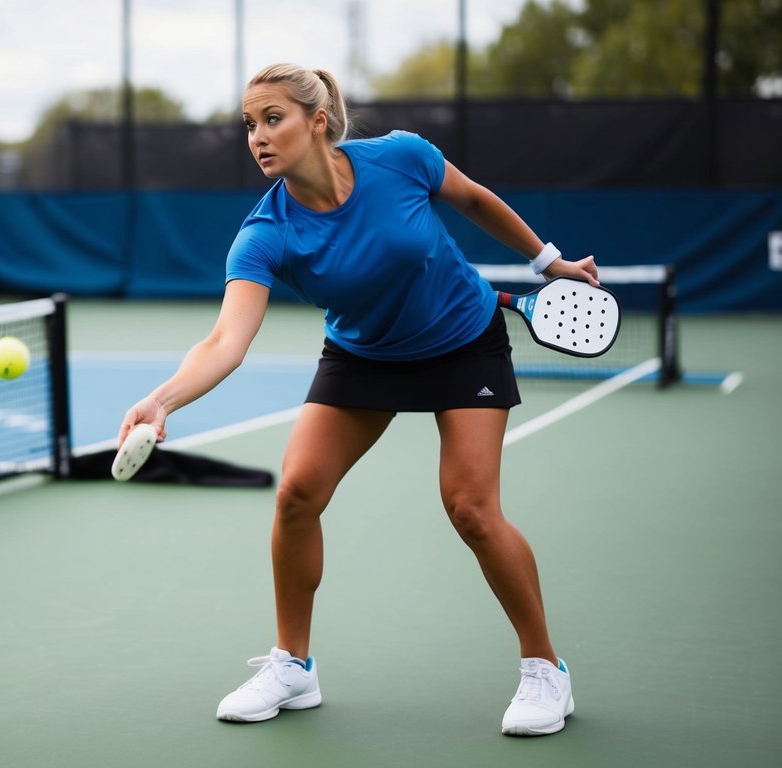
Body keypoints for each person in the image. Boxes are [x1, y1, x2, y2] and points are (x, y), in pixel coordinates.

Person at [115, 63, 598, 737]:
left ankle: (545, 670)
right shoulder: (265, 233)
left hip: (463, 341)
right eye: (248, 125)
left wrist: (549, 263)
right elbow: (226, 340)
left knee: (470, 507)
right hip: (364, 356)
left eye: (271, 119)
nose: (257, 136)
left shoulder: (400, 158)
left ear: (317, 121)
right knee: (296, 493)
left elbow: (475, 200)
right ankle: (293, 665)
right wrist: (161, 399)